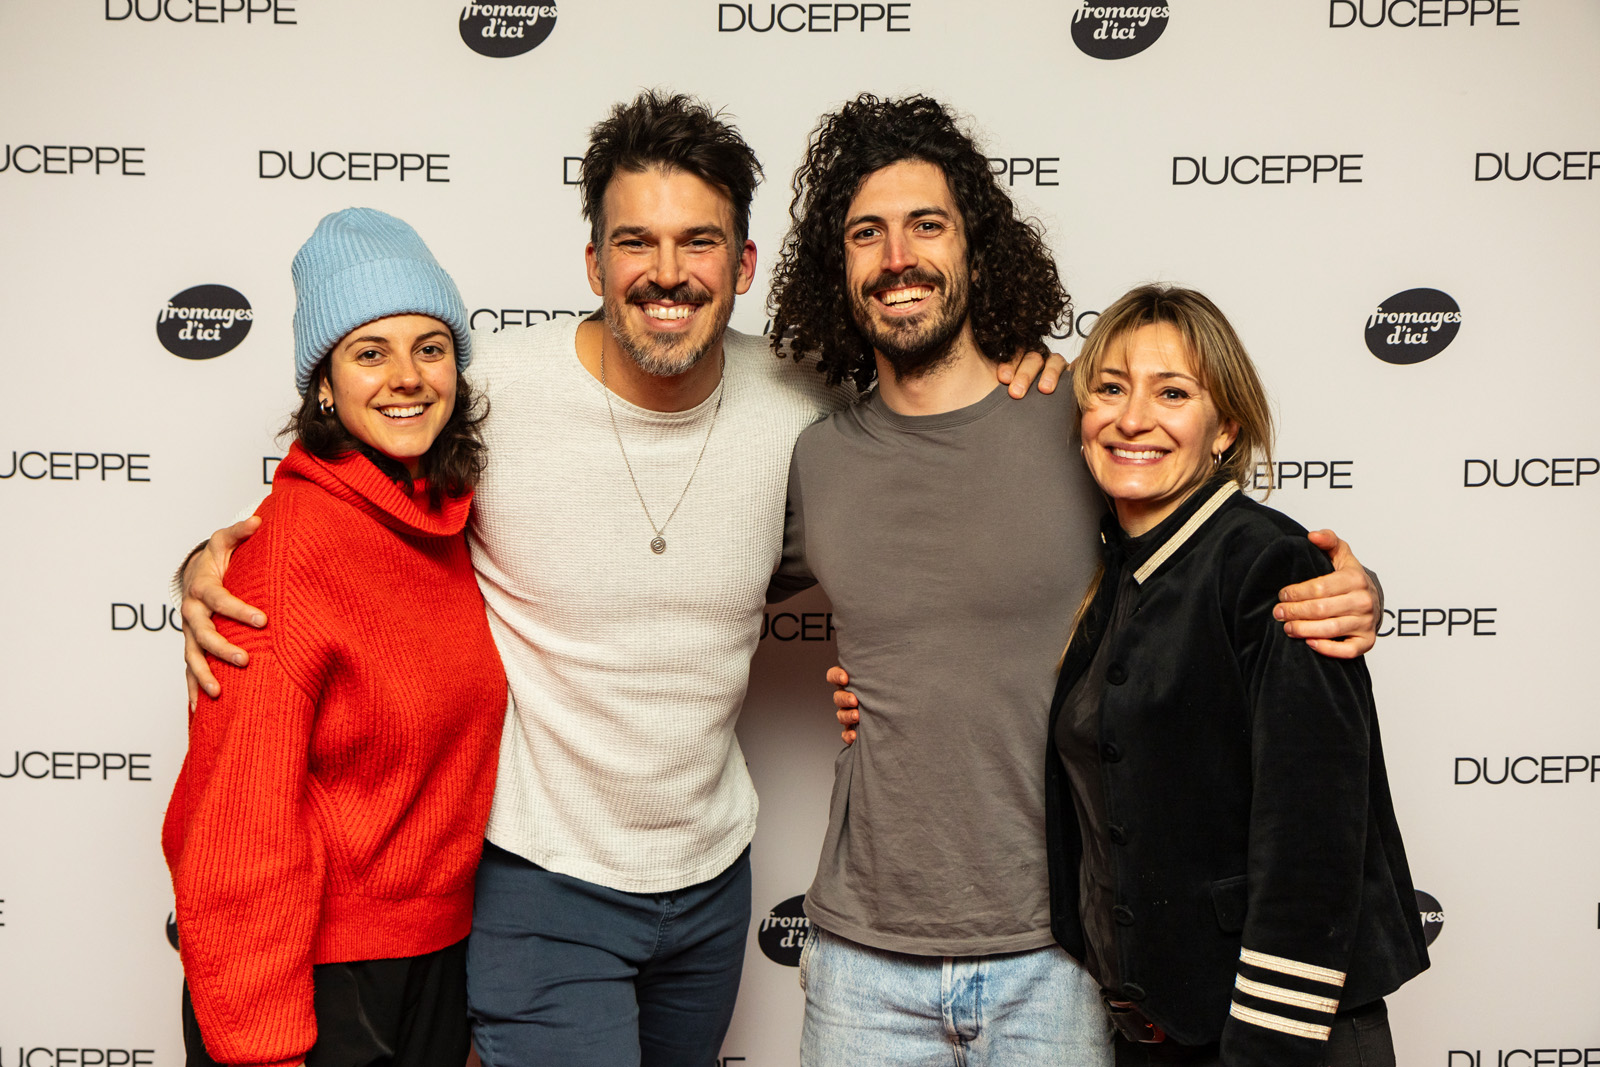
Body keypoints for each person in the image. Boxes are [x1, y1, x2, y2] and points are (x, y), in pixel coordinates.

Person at [174, 91, 1065, 1067]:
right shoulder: (484, 396)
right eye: (637, 242)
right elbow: (359, 506)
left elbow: (926, 473)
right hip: (541, 882)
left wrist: (1023, 366)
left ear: (745, 265)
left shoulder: (804, 405)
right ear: (595, 263)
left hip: (713, 883)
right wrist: (221, 552)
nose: (669, 273)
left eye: (700, 242)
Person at [766, 95, 1384, 1065]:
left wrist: (1341, 586)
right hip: (860, 959)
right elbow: (685, 595)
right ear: (833, 268)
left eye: (927, 224)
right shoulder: (817, 461)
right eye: (865, 233)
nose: (897, 256)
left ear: (976, 248)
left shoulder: (1077, 420)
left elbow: (1212, 549)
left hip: (1060, 947)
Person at [1045, 285, 1428, 1065]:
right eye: (1110, 388)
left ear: (1225, 429)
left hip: (1282, 1037)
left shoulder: (1272, 565)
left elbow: (1313, 845)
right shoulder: (1114, 577)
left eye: (1173, 392)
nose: (1132, 417)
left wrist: (1265, 1048)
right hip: (1166, 1031)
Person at [163, 207, 508, 1067]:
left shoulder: (446, 521)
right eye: (369, 351)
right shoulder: (283, 558)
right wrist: (263, 1050)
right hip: (315, 984)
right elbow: (236, 827)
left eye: (431, 347)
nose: (406, 376)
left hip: (434, 961)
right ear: (323, 382)